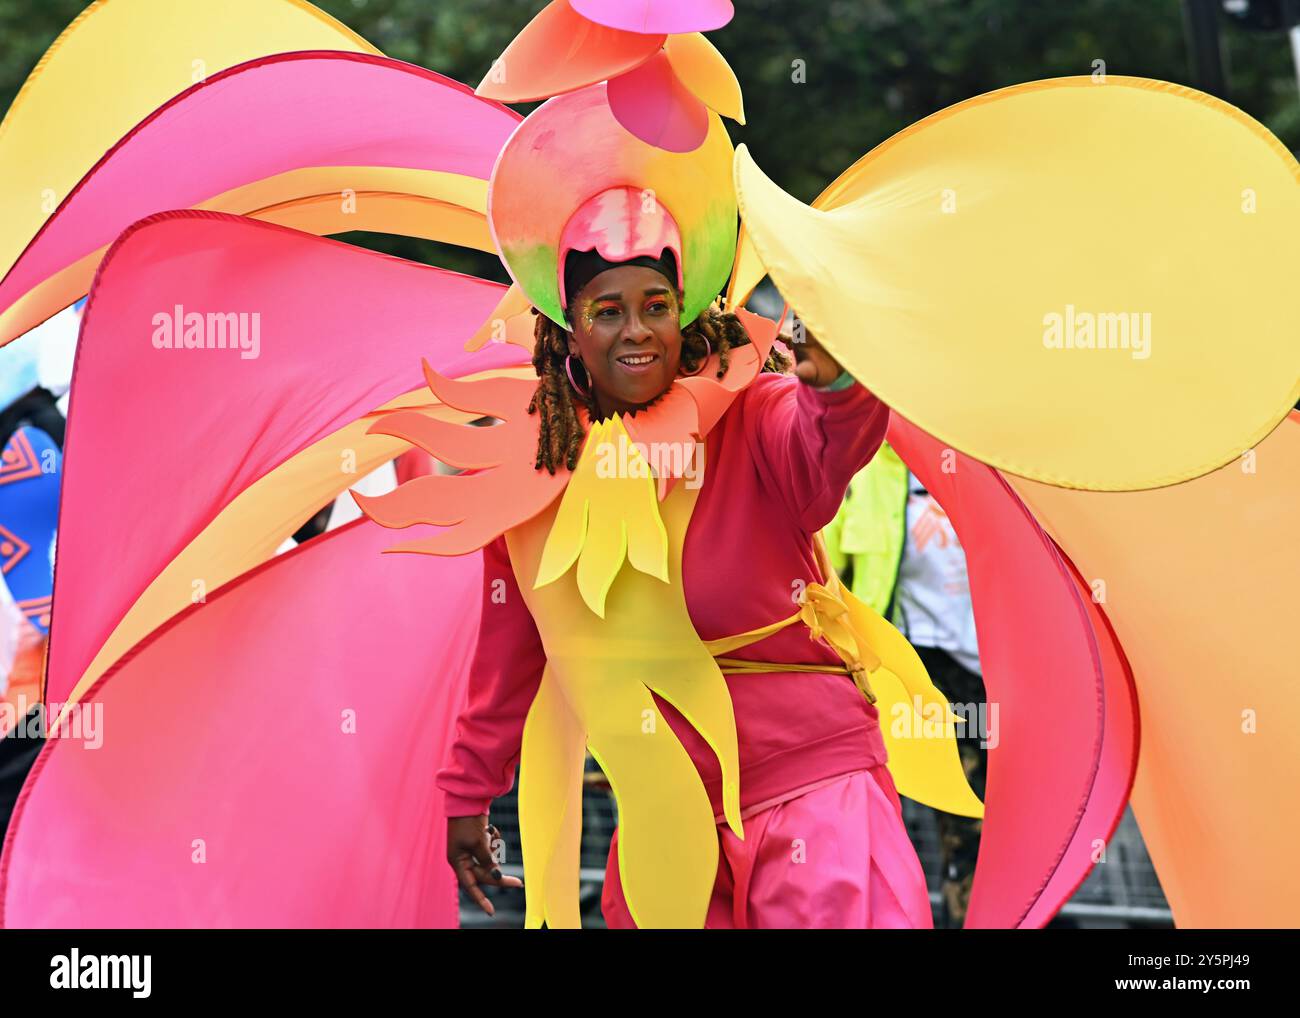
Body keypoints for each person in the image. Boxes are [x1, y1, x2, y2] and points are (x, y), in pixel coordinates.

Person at [434, 222, 933, 927]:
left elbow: (822, 459)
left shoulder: (752, 411)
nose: (638, 330)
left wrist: (841, 385)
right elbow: (511, 653)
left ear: (684, 312)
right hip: (662, 819)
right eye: (608, 312)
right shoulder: (536, 472)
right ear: (566, 328)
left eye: (657, 305)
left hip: (812, 796)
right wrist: (467, 792)